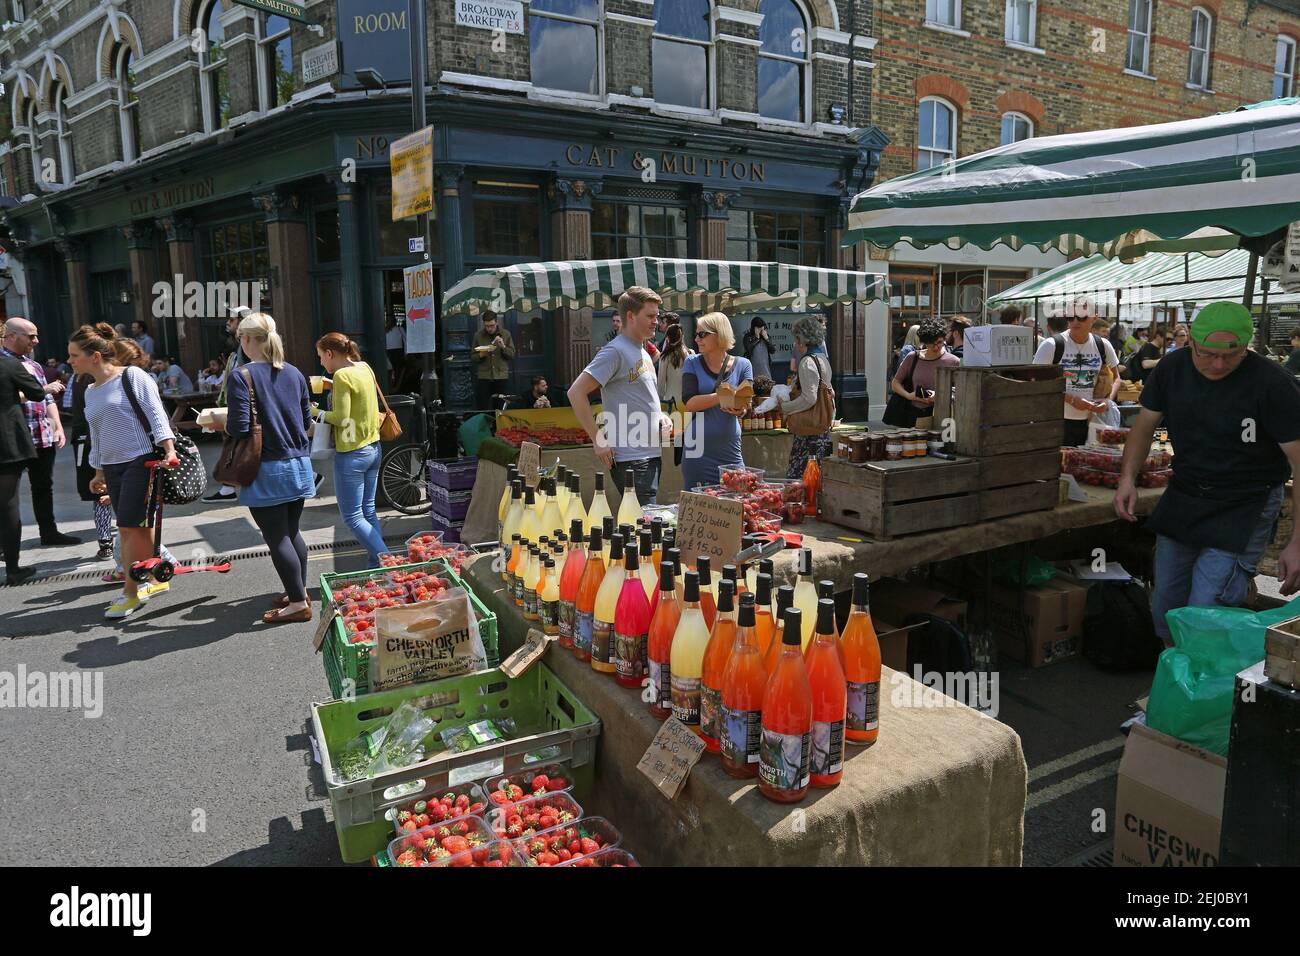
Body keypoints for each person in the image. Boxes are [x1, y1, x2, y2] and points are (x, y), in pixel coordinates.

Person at [1115, 302, 1300, 646]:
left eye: (1230, 356)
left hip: (1246, 501)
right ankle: (1178, 678)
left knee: (1206, 612)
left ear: (1247, 346)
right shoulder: (1172, 368)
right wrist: (1127, 479)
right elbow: (1143, 427)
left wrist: (1298, 541)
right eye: (1208, 354)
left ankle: (1205, 681)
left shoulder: (1274, 384)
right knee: (1166, 607)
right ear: (1191, 344)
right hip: (1186, 493)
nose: (1217, 364)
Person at [71, 324, 178, 619]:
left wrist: (169, 450)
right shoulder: (91, 391)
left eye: (74, 355)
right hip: (113, 465)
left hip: (140, 460)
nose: (69, 361)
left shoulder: (132, 376)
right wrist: (98, 472)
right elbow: (98, 434)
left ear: (94, 356)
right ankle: (155, 579)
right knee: (139, 527)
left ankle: (130, 593)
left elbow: (157, 414)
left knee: (128, 527)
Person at [223, 314, 316, 625]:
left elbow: (238, 426)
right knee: (291, 532)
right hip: (299, 463)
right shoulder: (295, 373)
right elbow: (306, 423)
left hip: (266, 468)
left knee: (276, 537)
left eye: (241, 340)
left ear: (247, 340)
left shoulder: (242, 375)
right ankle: (297, 591)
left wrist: (215, 424)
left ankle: (298, 603)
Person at [568, 286, 666, 505]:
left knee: (644, 525)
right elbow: (576, 392)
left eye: (657, 317)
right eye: (650, 316)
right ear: (630, 316)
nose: (656, 322)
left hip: (649, 454)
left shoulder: (642, 351)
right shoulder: (615, 351)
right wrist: (598, 438)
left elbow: (643, 398)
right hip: (631, 457)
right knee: (645, 527)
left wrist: (662, 417)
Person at [315, 332, 390, 569]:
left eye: (320, 357)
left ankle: (389, 561)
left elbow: (340, 418)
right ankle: (375, 566)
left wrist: (314, 412)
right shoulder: (363, 367)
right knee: (368, 511)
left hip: (352, 454)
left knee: (353, 517)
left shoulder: (341, 376)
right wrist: (331, 385)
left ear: (330, 353)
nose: (320, 362)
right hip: (373, 449)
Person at [1, 318, 78, 547]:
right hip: (14, 438)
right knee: (8, 494)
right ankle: (7, 543)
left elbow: (46, 399)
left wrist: (57, 425)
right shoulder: (3, 364)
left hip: (41, 434)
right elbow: (8, 397)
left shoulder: (33, 365)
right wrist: (42, 389)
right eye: (30, 336)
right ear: (12, 336)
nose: (36, 340)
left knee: (43, 486)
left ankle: (49, 532)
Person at [1032, 297, 1120, 447]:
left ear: (1094, 317)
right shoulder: (1051, 345)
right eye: (1071, 317)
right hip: (1056, 421)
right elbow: (1036, 383)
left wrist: (1107, 400)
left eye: (1081, 316)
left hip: (1091, 421)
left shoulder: (1103, 345)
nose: (1075, 321)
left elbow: (1117, 378)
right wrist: (1072, 400)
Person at [680, 313, 753, 490]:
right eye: (696, 334)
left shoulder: (744, 364)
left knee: (737, 505)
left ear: (719, 334)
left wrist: (741, 409)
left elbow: (746, 403)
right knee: (699, 507)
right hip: (697, 453)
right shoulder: (692, 362)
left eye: (702, 334)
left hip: (730, 451)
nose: (696, 339)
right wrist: (724, 396)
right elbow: (690, 403)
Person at [0, 348, 46, 584]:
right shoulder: (9, 365)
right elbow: (37, 393)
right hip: (7, 442)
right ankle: (13, 569)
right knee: (8, 505)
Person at [204, 308, 252, 503]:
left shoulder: (249, 346)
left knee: (239, 443)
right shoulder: (239, 346)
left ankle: (310, 474)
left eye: (231, 320)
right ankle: (227, 488)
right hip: (241, 404)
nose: (228, 323)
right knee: (233, 444)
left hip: (248, 406)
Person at [67, 372, 117, 562]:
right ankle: (109, 542)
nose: (71, 361)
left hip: (89, 439)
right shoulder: (93, 376)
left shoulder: (84, 376)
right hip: (95, 439)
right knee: (104, 491)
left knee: (101, 493)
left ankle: (107, 544)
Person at [779, 316, 836, 480]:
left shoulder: (807, 362)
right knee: (819, 476)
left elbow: (809, 398)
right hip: (821, 427)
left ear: (802, 339)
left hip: (808, 429)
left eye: (796, 338)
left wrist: (785, 407)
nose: (795, 343)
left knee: (799, 476)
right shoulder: (822, 358)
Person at [889, 319, 959, 427]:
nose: (936, 347)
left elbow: (960, 390)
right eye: (931, 344)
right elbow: (895, 383)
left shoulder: (954, 361)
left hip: (943, 416)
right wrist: (909, 396)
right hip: (913, 414)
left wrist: (940, 395)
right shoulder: (912, 357)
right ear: (924, 342)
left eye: (939, 342)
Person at [473, 312, 516, 411]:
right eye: (487, 326)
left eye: (492, 325)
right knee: (483, 406)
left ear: (496, 322)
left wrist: (503, 347)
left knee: (500, 406)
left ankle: (499, 426)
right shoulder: (478, 335)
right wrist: (481, 355)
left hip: (501, 376)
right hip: (484, 377)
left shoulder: (506, 334)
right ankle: (485, 426)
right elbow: (472, 357)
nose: (489, 329)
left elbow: (512, 355)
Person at [385, 316, 406, 389]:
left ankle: (393, 386)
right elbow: (405, 340)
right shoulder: (399, 329)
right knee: (394, 370)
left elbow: (405, 340)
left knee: (394, 370)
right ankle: (394, 386)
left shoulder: (398, 329)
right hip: (393, 352)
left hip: (393, 352)